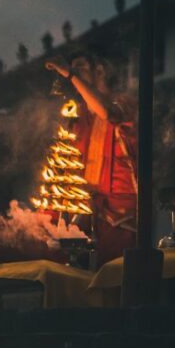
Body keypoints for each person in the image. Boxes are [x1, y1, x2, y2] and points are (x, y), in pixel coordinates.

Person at [46, 54, 137, 266]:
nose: (74, 75)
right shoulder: (82, 114)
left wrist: (70, 74)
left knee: (114, 275)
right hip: (87, 209)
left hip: (119, 215)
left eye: (81, 67)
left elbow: (107, 112)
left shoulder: (125, 103)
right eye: (74, 69)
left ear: (100, 71)